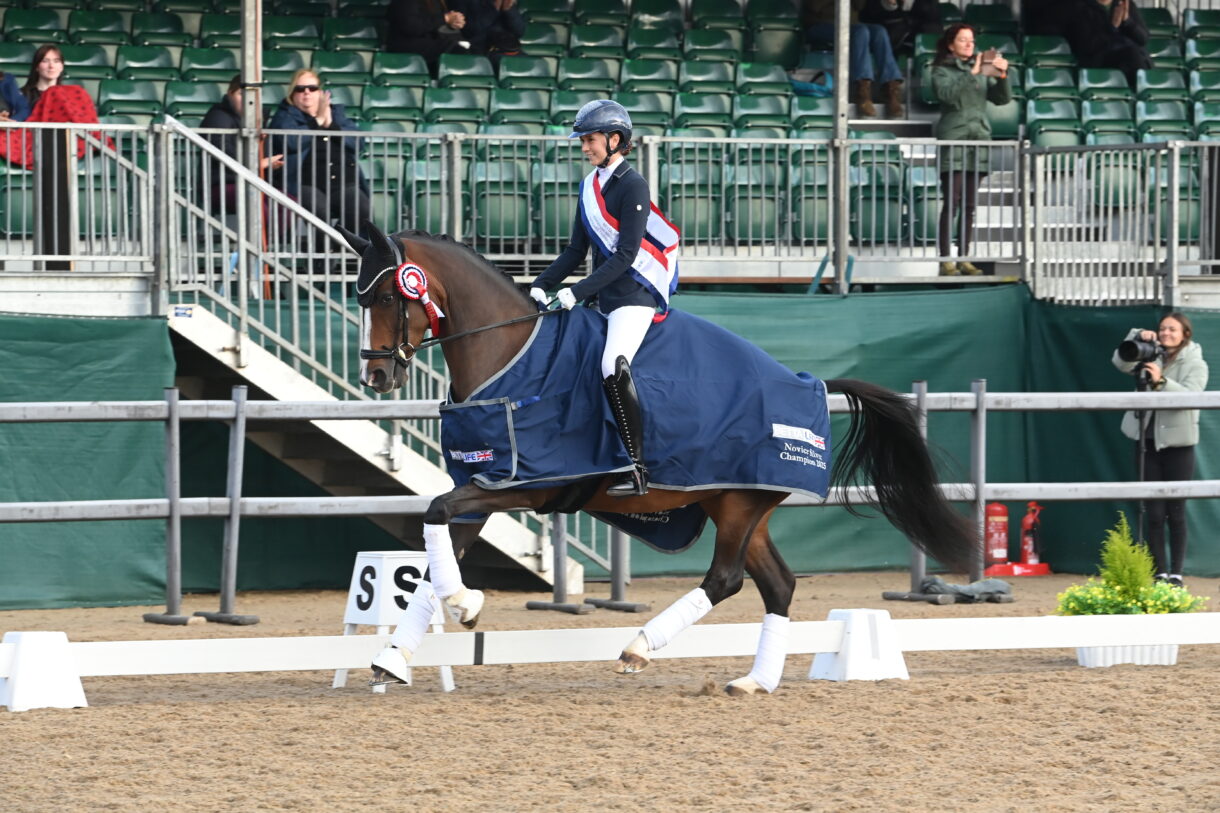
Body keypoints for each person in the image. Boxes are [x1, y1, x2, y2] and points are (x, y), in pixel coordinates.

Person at [527, 100, 680, 498]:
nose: (584, 148)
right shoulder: (588, 186)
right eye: (583, 141)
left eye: (590, 140)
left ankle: (636, 465)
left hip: (633, 297)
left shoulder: (633, 185)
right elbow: (575, 252)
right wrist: (537, 284)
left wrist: (576, 292)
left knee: (612, 363)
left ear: (614, 140)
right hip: (601, 298)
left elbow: (627, 256)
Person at [1111, 313, 1209, 588]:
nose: (1165, 333)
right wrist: (1135, 336)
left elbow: (1191, 396)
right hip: (1146, 441)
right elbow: (1120, 361)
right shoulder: (1150, 353)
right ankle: (1159, 573)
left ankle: (1176, 573)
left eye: (1172, 329)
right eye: (1162, 328)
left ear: (1185, 334)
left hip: (1179, 446)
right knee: (1152, 512)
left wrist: (1161, 380)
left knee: (1175, 512)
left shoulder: (1196, 363)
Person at [931, 23, 1010, 276]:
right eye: (963, 40)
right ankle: (945, 260)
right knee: (951, 203)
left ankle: (964, 258)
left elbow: (1001, 99)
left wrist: (1003, 76)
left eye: (972, 40)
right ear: (951, 44)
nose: (969, 44)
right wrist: (973, 72)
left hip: (978, 139)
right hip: (955, 137)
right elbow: (948, 96)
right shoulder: (940, 70)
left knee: (969, 205)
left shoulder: (980, 69)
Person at [266, 69, 370, 235]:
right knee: (320, 215)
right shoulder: (285, 116)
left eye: (312, 88)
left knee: (361, 208)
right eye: (300, 89)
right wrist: (318, 121)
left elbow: (359, 143)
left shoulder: (336, 114)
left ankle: (338, 250)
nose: (306, 92)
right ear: (292, 94)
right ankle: (323, 258)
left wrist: (331, 125)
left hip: (342, 182)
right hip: (305, 183)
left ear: (320, 93)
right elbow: (290, 142)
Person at [802, 0, 905, 118]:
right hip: (819, 25)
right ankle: (862, 92)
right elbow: (814, 5)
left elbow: (859, 5)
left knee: (879, 31)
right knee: (861, 31)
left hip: (851, 25)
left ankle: (890, 90)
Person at [199, 75, 285, 213]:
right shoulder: (218, 116)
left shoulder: (258, 121)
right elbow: (222, 152)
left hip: (253, 183)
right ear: (230, 94)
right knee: (257, 203)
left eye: (253, 95)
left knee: (290, 204)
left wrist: (269, 165)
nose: (248, 99)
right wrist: (257, 165)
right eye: (241, 93)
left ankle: (277, 236)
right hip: (223, 184)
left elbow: (264, 157)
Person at [1025, 0, 1150, 88]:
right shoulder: (1079, 8)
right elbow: (1088, 45)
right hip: (1099, 62)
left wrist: (1128, 22)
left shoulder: (1125, 5)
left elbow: (1143, 39)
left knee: (1135, 55)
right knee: (1131, 54)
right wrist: (1112, 27)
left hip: (1132, 62)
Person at [386, 0, 473, 76]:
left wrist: (452, 24)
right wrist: (445, 18)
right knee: (455, 49)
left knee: (471, 48)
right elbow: (411, 27)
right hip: (407, 45)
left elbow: (434, 24)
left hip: (429, 42)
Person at [455, 0, 525, 65]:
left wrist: (508, 9)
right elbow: (471, 31)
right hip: (482, 49)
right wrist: (495, 8)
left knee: (528, 65)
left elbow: (519, 31)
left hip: (509, 48)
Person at [860, 0, 941, 54]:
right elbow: (866, 16)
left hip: (920, 32)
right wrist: (891, 5)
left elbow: (931, 15)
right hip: (891, 33)